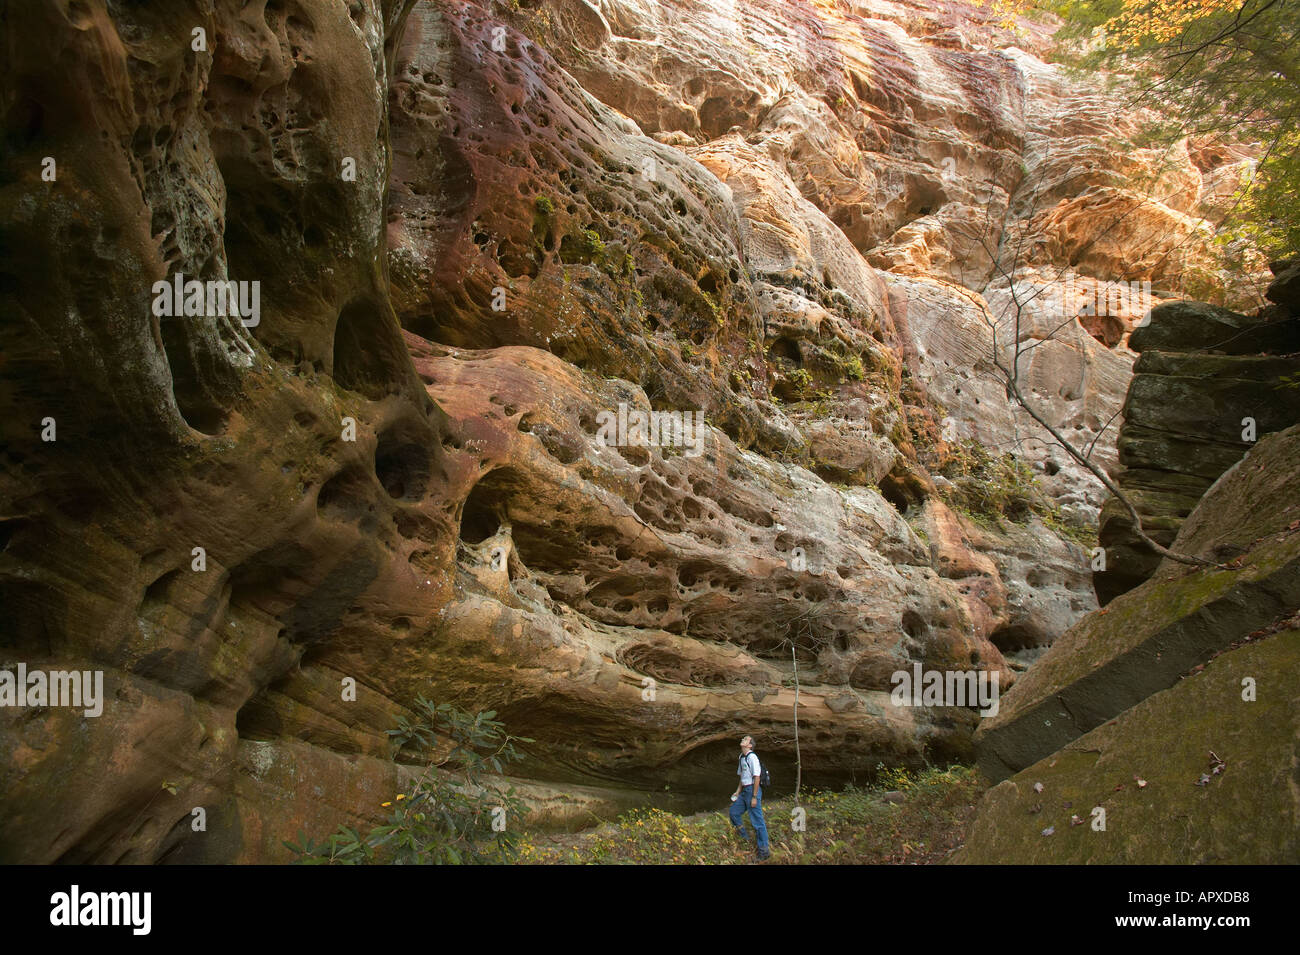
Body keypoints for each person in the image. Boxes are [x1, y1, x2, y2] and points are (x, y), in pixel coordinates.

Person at [729, 734, 770, 860]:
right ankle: (745, 838)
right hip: (744, 790)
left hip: (753, 790)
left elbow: (756, 777)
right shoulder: (742, 757)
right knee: (734, 812)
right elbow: (742, 777)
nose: (743, 739)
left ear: (750, 745)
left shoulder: (753, 757)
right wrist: (737, 791)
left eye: (746, 739)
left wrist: (754, 796)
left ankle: (764, 851)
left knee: (757, 821)